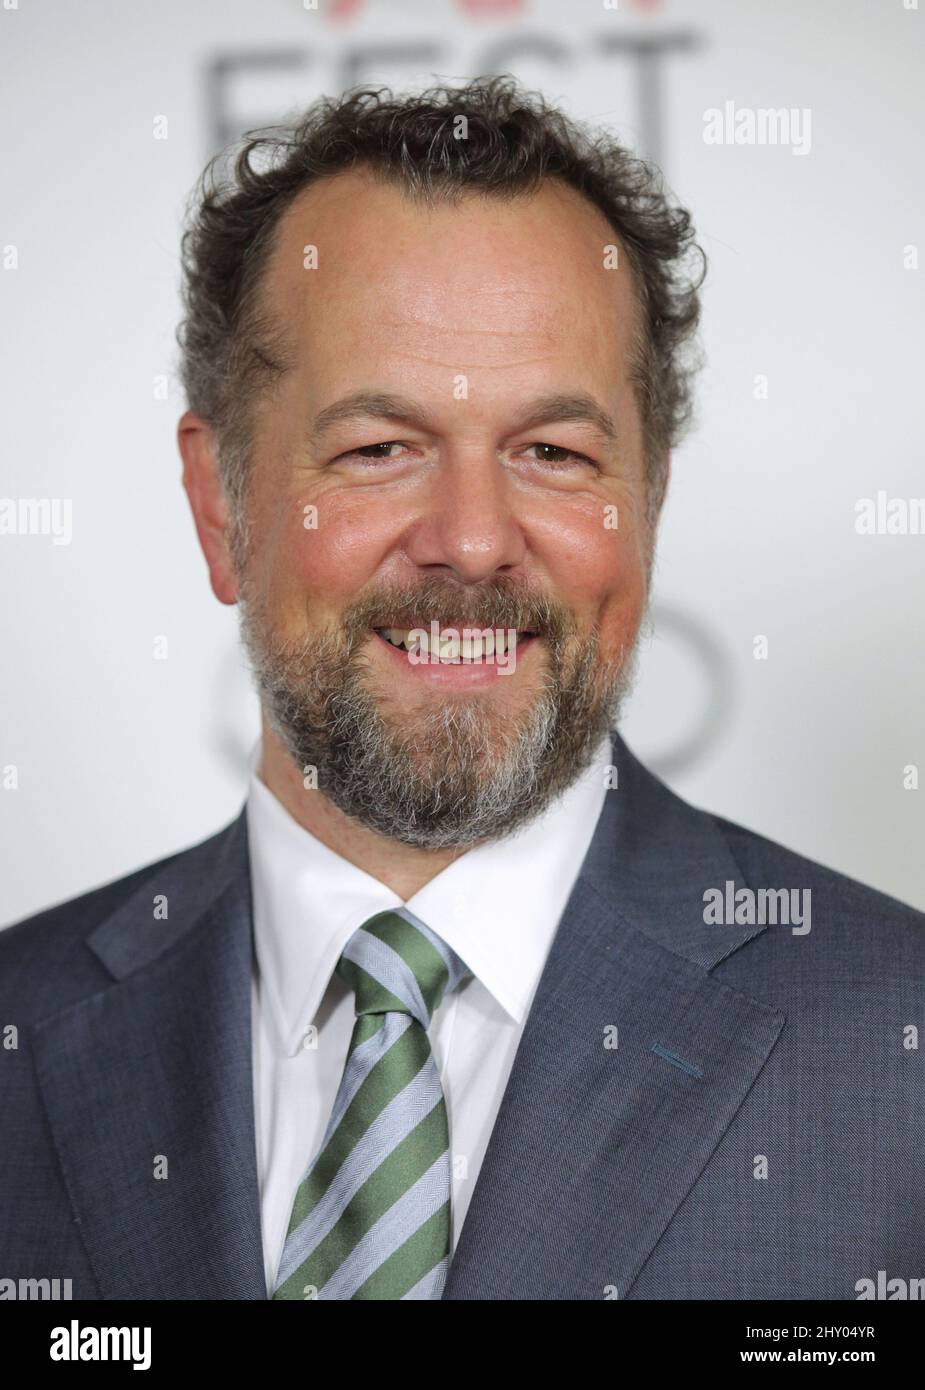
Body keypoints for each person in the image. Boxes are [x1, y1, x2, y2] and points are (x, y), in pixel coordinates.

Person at [2, 77, 922, 1303]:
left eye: (553, 453)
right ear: (218, 503)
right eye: (379, 448)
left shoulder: (893, 1061)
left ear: (645, 503)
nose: (473, 541)